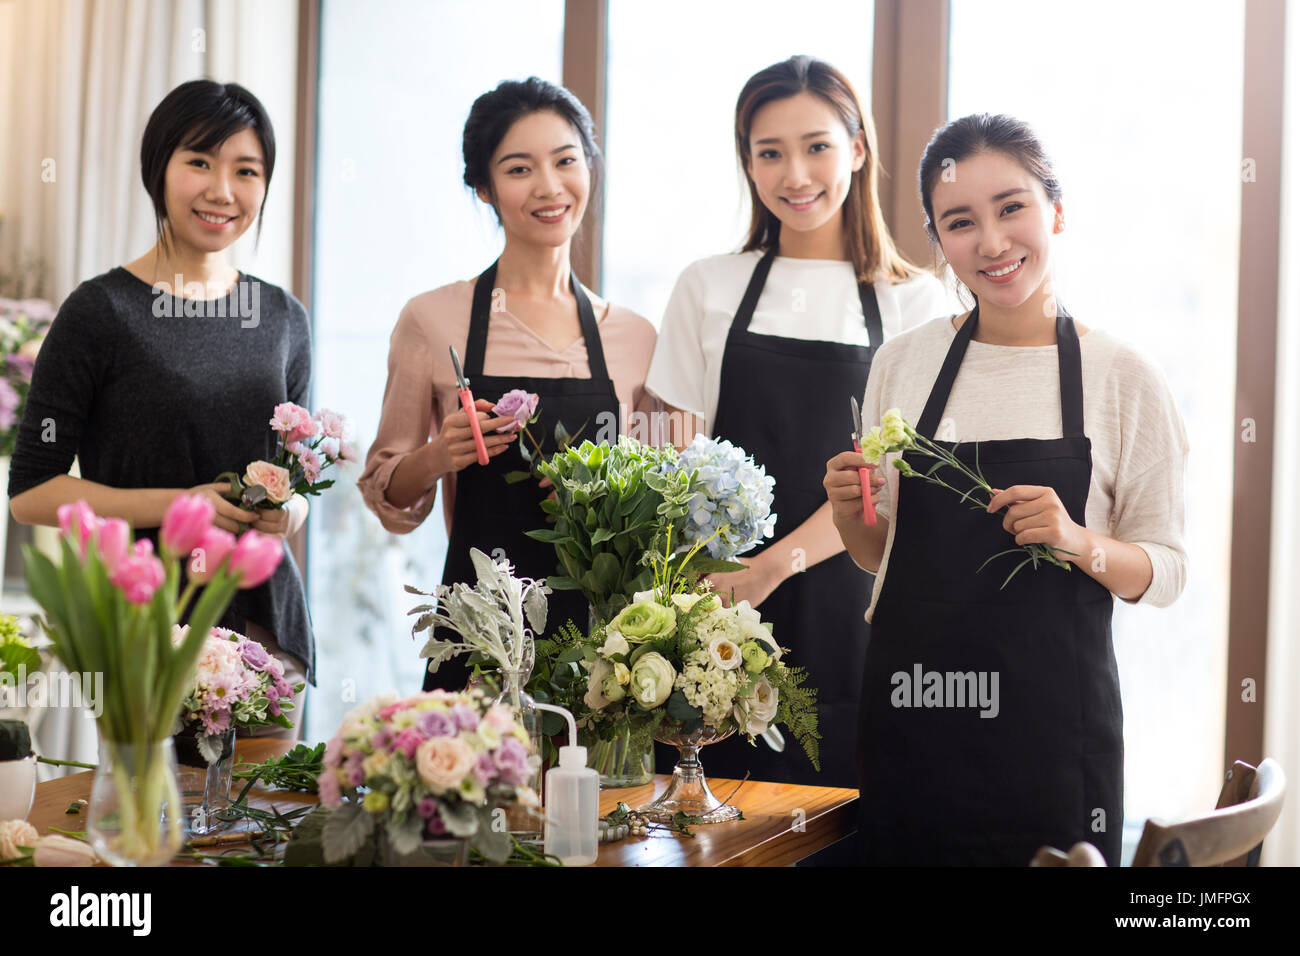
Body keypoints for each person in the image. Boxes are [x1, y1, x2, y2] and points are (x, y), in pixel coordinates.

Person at [825, 113, 1189, 865]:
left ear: (1056, 211)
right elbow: (878, 559)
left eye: (1012, 208)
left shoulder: (1123, 378)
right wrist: (847, 511)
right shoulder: (903, 363)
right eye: (960, 222)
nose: (990, 243)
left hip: (1052, 752)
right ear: (939, 242)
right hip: (912, 728)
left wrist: (1076, 539)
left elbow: (1166, 573)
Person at [644, 56, 952, 789]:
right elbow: (673, 465)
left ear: (858, 148)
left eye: (817, 146)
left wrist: (774, 565)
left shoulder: (917, 303)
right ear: (746, 164)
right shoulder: (707, 286)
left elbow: (897, 479)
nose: (796, 174)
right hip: (718, 603)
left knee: (842, 812)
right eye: (769, 152)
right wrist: (719, 581)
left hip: (857, 601)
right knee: (703, 816)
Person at [8, 80, 314, 740]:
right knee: (156, 832)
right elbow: (32, 493)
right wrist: (183, 506)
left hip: (267, 615)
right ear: (159, 169)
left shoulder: (284, 318)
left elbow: (299, 476)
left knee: (264, 827)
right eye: (199, 162)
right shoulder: (101, 312)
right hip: (149, 616)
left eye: (246, 171)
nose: (222, 191)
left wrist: (291, 512)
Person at [357, 77, 658, 692]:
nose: (550, 187)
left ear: (590, 170)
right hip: (478, 632)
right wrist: (440, 456)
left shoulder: (634, 337)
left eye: (566, 161)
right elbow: (386, 491)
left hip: (608, 645)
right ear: (484, 187)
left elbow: (656, 505)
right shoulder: (432, 319)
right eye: (520, 169)